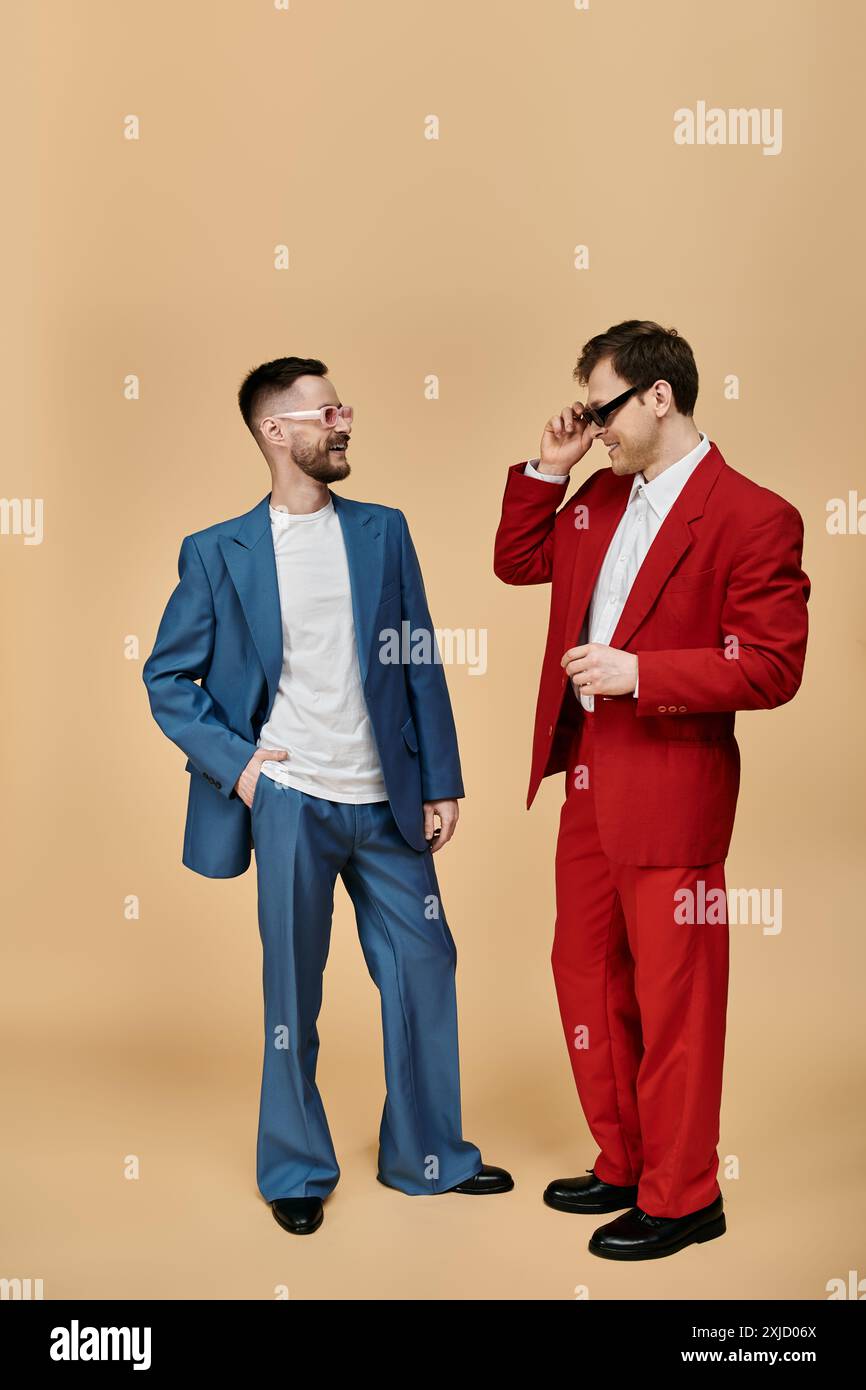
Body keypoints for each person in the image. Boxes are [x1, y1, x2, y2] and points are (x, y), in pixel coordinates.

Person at [143, 355, 512, 1236]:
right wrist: (242, 768)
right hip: (290, 802)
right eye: (326, 413)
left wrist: (442, 780)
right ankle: (296, 1169)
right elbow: (167, 678)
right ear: (276, 431)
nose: (344, 423)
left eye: (344, 410)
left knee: (425, 966)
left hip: (388, 801)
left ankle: (427, 1156)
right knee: (292, 992)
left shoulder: (384, 531)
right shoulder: (217, 550)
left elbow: (420, 655)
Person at [493, 320, 809, 1259]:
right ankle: (625, 1162)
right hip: (589, 778)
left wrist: (644, 674)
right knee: (585, 975)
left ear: (659, 396)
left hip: (674, 789)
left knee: (676, 1002)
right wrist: (548, 469)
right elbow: (516, 561)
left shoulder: (755, 515)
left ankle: (684, 1196)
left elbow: (773, 667)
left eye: (602, 410)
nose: (593, 428)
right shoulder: (596, 494)